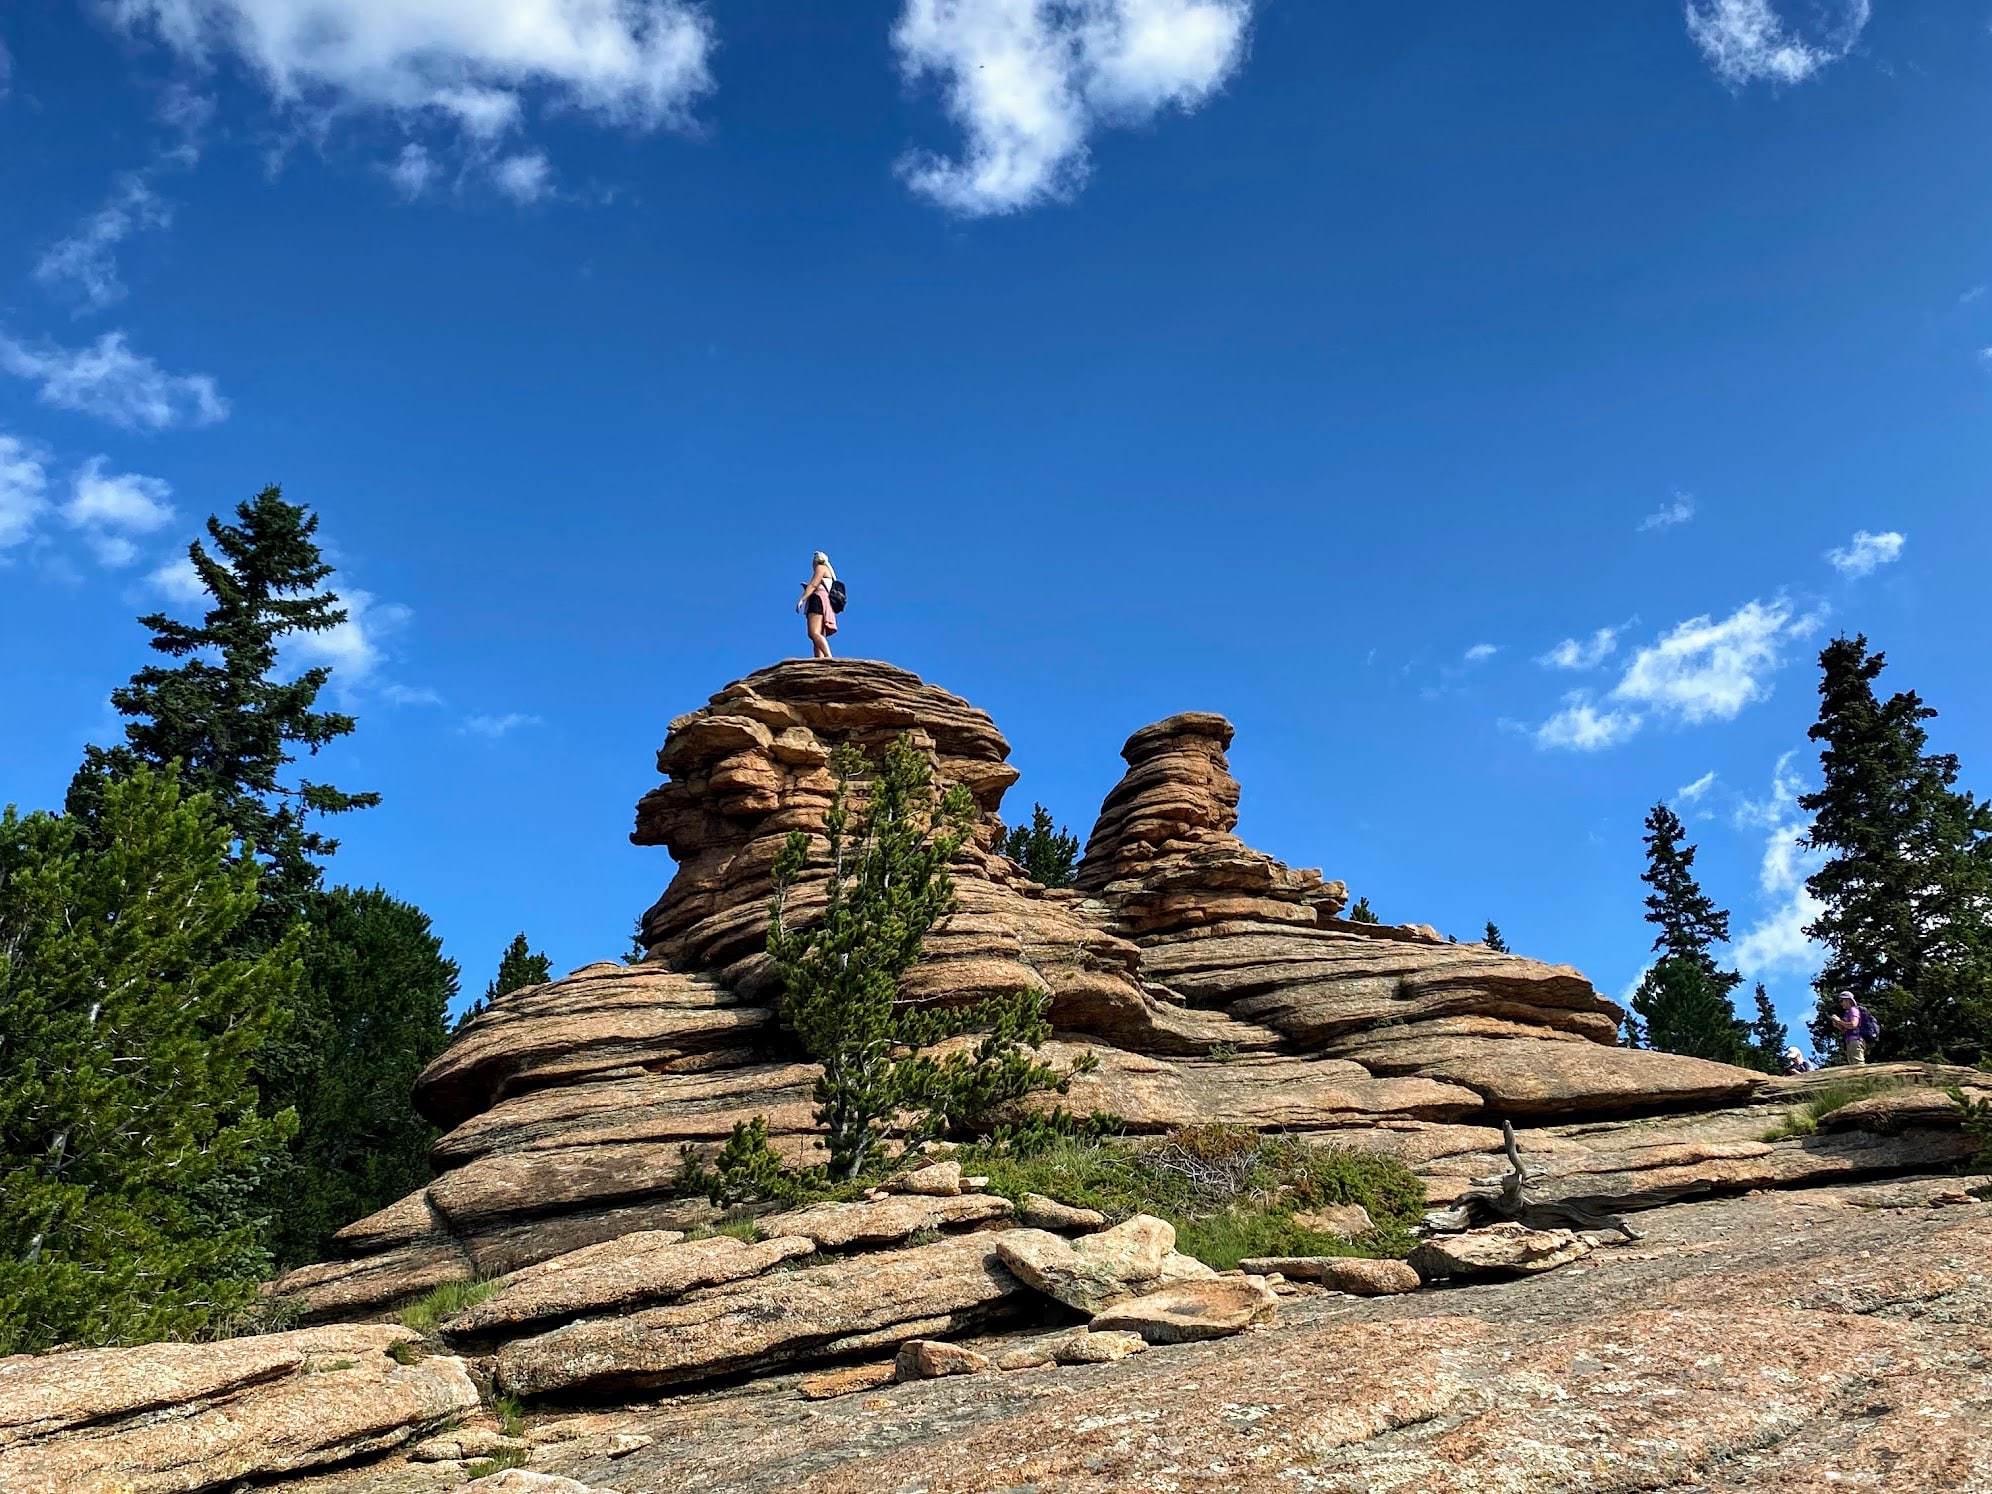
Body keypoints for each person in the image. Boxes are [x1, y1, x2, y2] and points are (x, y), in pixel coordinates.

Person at [797, 551, 837, 659]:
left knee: (813, 632)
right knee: (818, 633)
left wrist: (802, 599)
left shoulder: (821, 568)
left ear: (815, 561)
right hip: (823, 601)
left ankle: (828, 656)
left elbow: (814, 585)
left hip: (818, 600)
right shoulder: (827, 570)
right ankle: (819, 658)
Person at [1829, 991, 1869, 1065]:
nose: (1840, 1003)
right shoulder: (1848, 1013)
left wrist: (1839, 1021)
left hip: (1856, 1040)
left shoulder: (1853, 1010)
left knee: (1858, 1064)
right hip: (1851, 1041)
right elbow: (1845, 1029)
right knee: (1853, 1064)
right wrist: (1837, 1024)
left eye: (1841, 1001)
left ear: (1848, 1000)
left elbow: (1853, 1024)